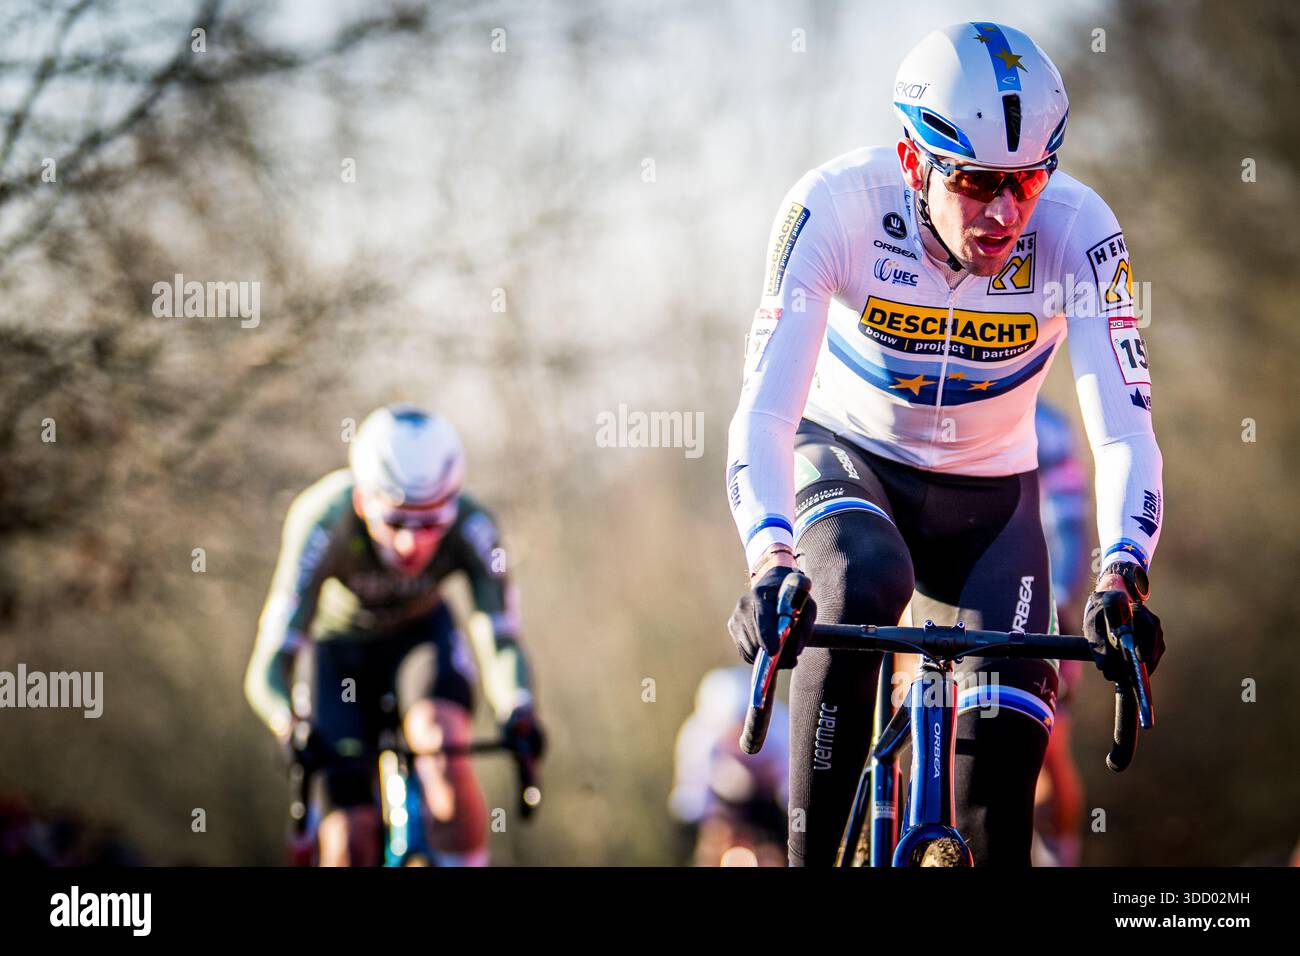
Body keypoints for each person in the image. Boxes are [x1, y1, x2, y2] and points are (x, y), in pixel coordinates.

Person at [725, 22, 1165, 866]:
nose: (1004, 213)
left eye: (1028, 180)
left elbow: (1124, 430)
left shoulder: (1083, 230)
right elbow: (764, 415)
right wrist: (772, 558)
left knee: (1001, 818)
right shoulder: (831, 206)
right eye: (973, 181)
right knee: (859, 579)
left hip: (992, 498)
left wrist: (1123, 573)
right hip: (850, 459)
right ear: (911, 160)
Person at [245, 404, 544, 866]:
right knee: (348, 839)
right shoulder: (323, 521)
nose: (412, 543)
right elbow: (269, 662)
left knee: (441, 752)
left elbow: (500, 639)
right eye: (396, 522)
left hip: (421, 641)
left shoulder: (475, 526)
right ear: (364, 502)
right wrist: (289, 723)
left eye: (430, 523)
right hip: (338, 654)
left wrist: (517, 707)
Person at [1031, 399, 1091, 866]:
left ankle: (1059, 856)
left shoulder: (1046, 423)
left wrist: (1059, 602)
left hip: (1042, 600)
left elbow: (1070, 523)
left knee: (1046, 746)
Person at [668, 666, 789, 866]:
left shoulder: (780, 732)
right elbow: (691, 802)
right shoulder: (697, 739)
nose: (734, 735)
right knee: (712, 842)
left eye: (740, 724)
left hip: (769, 801)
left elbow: (793, 794)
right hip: (720, 802)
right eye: (727, 729)